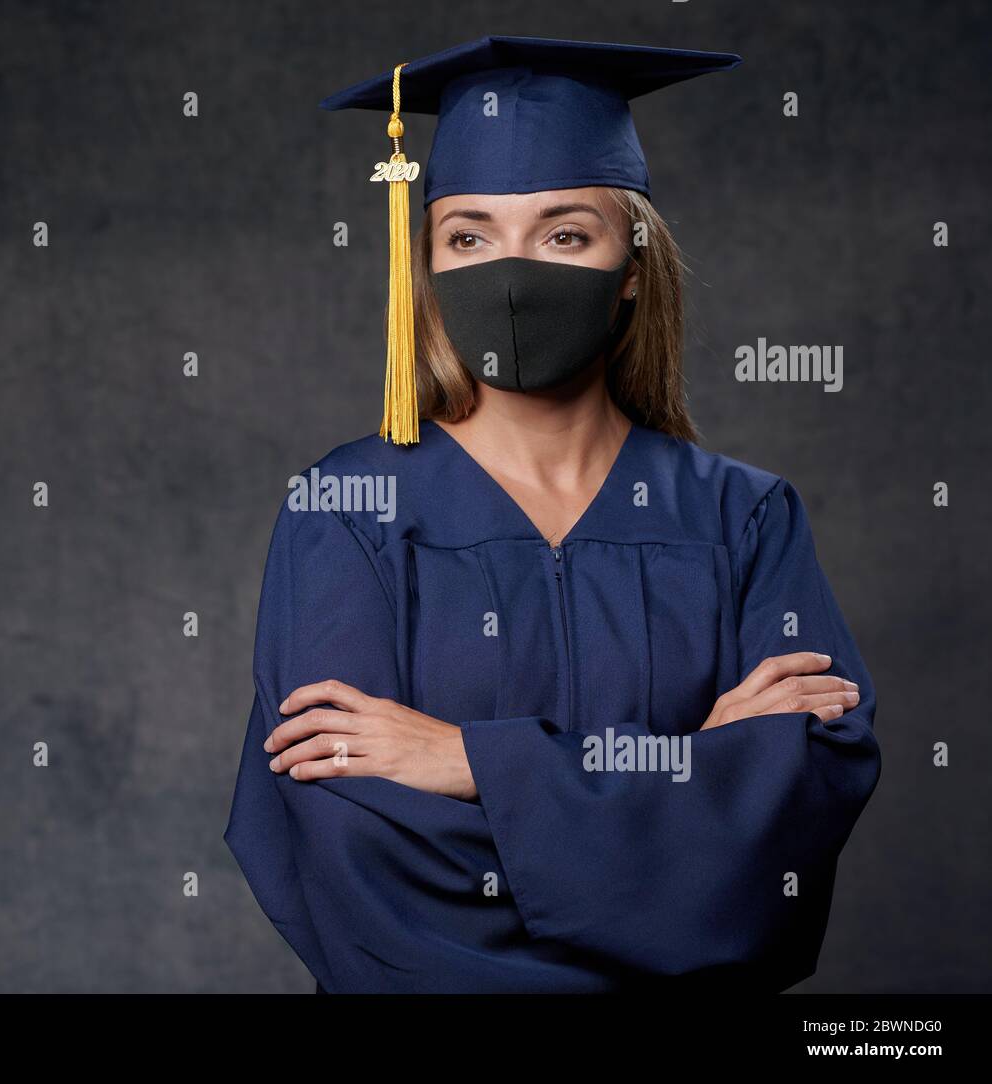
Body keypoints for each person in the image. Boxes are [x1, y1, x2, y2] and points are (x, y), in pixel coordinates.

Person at [223, 35, 881, 993]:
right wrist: (695, 768)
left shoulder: (743, 518)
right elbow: (349, 845)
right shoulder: (351, 512)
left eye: (565, 234)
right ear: (428, 267)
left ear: (630, 264)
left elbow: (799, 807)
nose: (512, 272)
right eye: (469, 237)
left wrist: (472, 762)